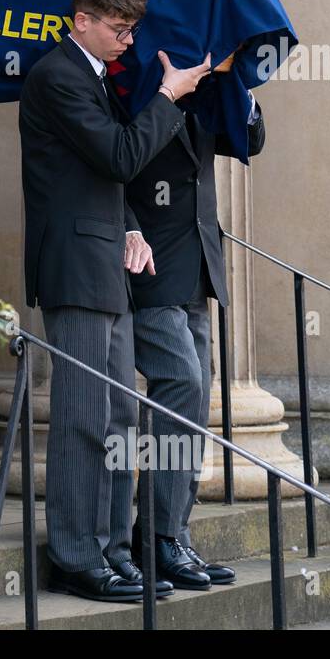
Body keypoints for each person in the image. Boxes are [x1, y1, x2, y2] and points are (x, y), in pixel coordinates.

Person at [19, 0, 211, 602]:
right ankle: (76, 556)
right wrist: (169, 97)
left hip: (107, 263)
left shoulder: (91, 76)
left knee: (120, 418)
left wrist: (130, 224)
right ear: (83, 20)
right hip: (74, 268)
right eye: (120, 28)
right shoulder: (57, 76)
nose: (128, 40)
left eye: (131, 30)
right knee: (82, 419)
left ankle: (113, 549)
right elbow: (122, 155)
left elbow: (102, 178)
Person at [127, 77, 266, 590]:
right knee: (182, 382)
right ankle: (157, 536)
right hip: (147, 268)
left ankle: (172, 534)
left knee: (193, 396)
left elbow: (247, 141)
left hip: (199, 266)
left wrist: (244, 85)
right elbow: (108, 167)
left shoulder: (213, 92)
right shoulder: (134, 83)